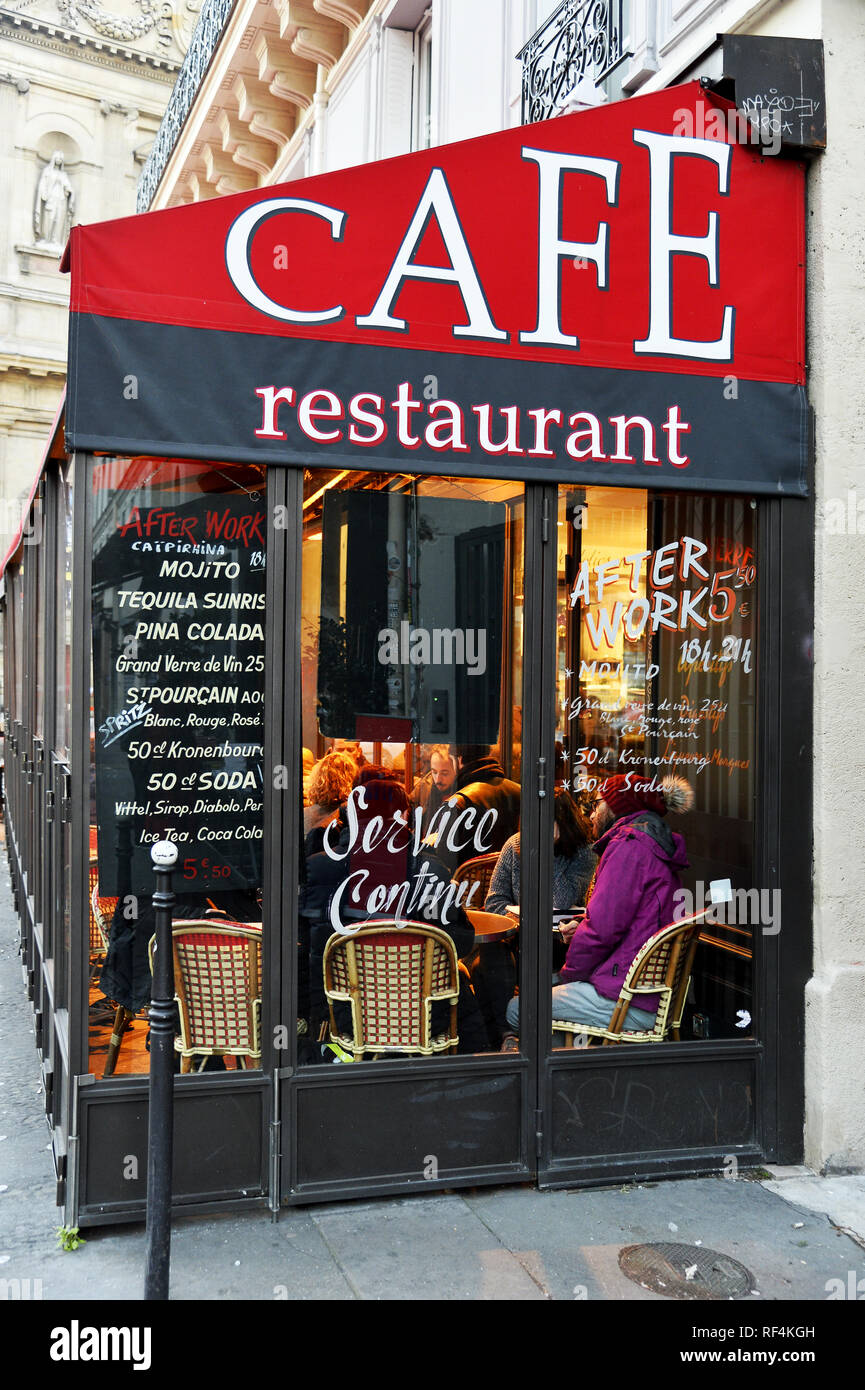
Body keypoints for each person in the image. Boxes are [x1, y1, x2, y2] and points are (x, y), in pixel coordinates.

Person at [298, 765, 488, 1055]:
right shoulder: (429, 871)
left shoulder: (319, 868)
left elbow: (303, 939)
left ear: (351, 817)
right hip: (421, 1014)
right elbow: (459, 942)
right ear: (407, 819)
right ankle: (478, 1074)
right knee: (461, 984)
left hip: (343, 1013)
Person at [504, 773, 694, 1041]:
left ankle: (562, 1077)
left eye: (598, 804)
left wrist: (567, 975)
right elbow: (624, 918)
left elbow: (602, 930)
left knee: (519, 1009)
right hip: (644, 990)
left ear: (616, 807)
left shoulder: (629, 848)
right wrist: (582, 925)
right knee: (539, 995)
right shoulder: (649, 844)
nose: (592, 814)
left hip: (629, 998)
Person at [484, 788, 594, 915]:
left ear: (563, 822)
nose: (538, 826)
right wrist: (519, 919)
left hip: (562, 930)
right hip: (520, 929)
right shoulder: (515, 844)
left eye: (545, 819)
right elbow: (493, 902)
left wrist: (547, 849)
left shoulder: (583, 850)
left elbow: (561, 901)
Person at [433, 743, 520, 870]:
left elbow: (444, 863)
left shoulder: (458, 803)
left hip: (470, 887)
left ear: (459, 759)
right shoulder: (520, 792)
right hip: (515, 884)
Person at [409, 744, 457, 836]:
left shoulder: (464, 790)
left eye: (444, 774)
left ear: (456, 770)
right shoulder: (424, 786)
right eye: (434, 772)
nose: (438, 779)